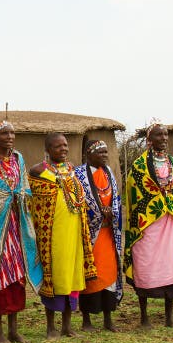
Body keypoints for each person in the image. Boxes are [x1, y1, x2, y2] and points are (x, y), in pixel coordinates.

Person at [0, 120, 43, 343]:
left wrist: (20, 196)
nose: (10, 137)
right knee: (0, 277)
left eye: (12, 133)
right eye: (4, 133)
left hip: (17, 224)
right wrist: (6, 197)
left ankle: (14, 329)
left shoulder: (19, 159)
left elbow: (24, 187)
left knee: (17, 277)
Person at [29, 133, 96, 338]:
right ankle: (50, 327)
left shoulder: (71, 170)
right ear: (48, 150)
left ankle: (67, 326)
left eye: (65, 146)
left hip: (74, 232)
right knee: (55, 276)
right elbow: (36, 207)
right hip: (52, 235)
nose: (64, 149)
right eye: (58, 147)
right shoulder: (38, 172)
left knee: (72, 276)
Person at [125, 122, 173, 329]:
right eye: (159, 135)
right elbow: (135, 194)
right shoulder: (139, 165)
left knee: (170, 263)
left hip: (170, 222)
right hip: (147, 225)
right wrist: (157, 203)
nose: (164, 138)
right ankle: (144, 317)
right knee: (146, 264)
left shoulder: (172, 163)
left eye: (166, 135)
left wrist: (171, 206)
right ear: (149, 140)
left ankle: (169, 317)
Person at [74, 140, 124, 332]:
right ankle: (86, 320)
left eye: (106, 152)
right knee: (90, 276)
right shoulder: (79, 175)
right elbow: (78, 202)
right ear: (89, 154)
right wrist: (97, 212)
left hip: (108, 234)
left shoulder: (109, 173)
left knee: (109, 275)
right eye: (100, 152)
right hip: (89, 236)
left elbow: (117, 200)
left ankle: (108, 319)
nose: (105, 155)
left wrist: (112, 212)